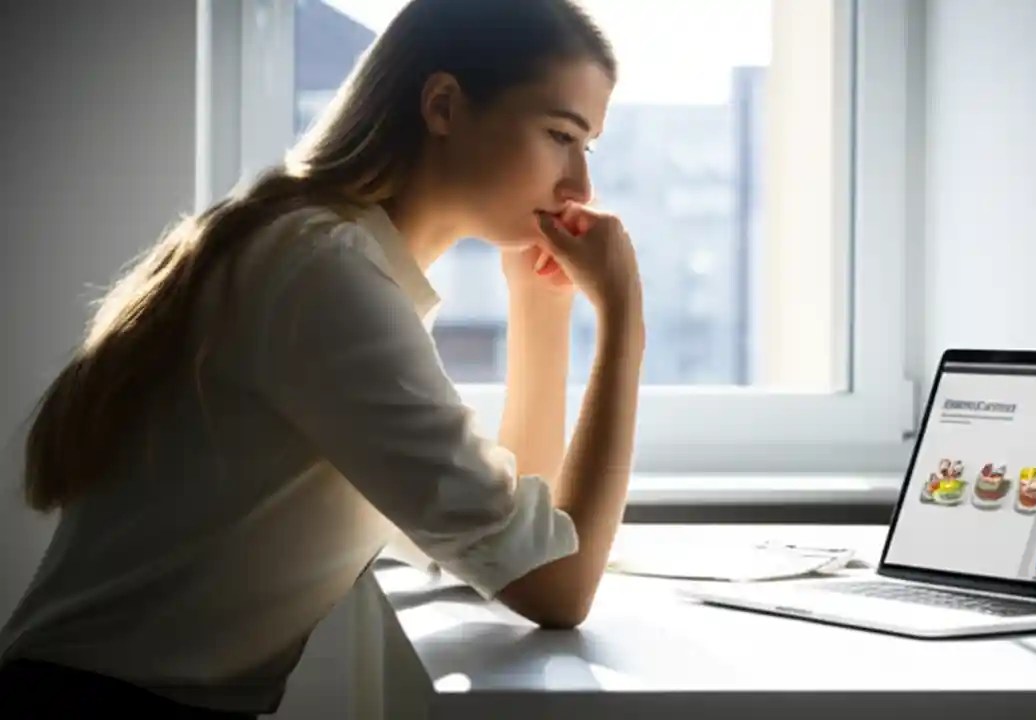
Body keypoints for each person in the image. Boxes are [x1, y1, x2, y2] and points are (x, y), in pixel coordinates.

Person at [0, 0, 642, 717]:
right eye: (560, 135)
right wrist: (623, 318)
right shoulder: (323, 274)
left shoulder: (332, 258)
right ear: (443, 106)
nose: (579, 187)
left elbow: (516, 549)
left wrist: (541, 308)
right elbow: (557, 586)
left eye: (587, 148)